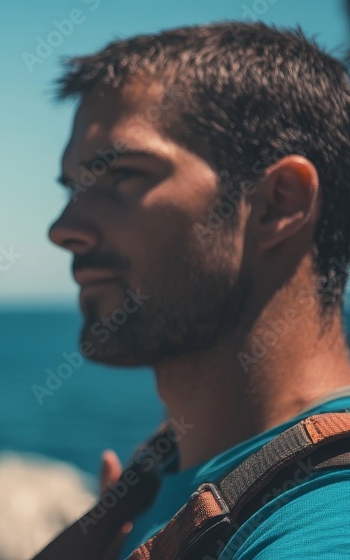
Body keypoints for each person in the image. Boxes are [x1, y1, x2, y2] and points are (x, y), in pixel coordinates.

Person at [45, 22, 350, 559]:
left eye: (122, 176)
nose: (63, 228)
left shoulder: (322, 530)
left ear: (279, 202)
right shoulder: (163, 480)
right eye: (74, 188)